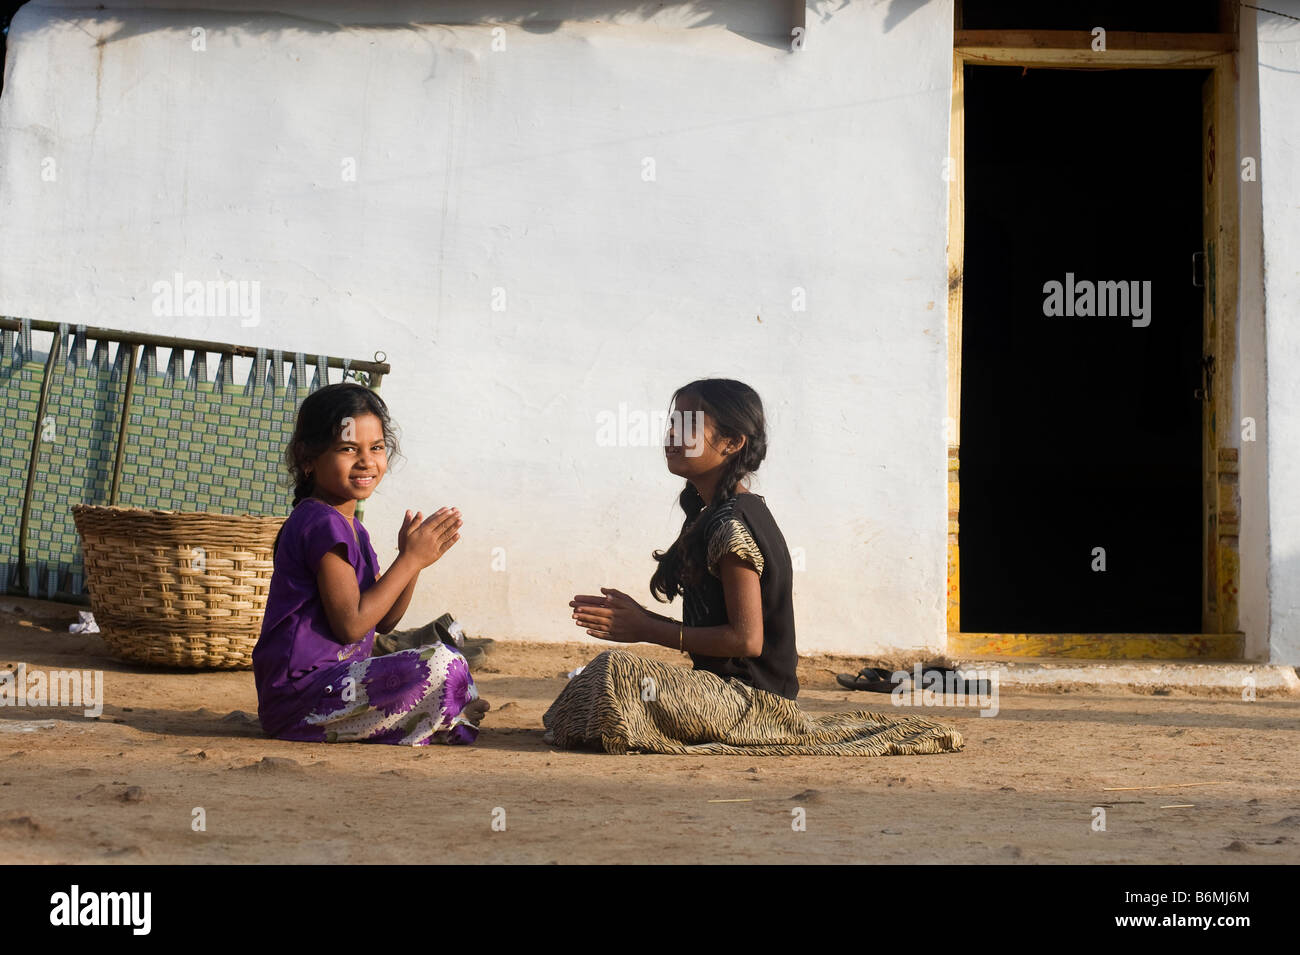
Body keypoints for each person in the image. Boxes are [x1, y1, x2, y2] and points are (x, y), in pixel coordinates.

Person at [547, 378, 962, 757]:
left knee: (615, 673)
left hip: (756, 706)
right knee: (606, 676)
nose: (671, 436)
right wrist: (641, 618)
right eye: (671, 424)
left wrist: (646, 631)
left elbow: (747, 641)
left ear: (730, 442)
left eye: (687, 426)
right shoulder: (711, 514)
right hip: (720, 695)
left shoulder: (731, 525)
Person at [252, 382, 489, 745]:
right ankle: (444, 714)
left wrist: (411, 563)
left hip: (336, 686)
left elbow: (385, 622)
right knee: (444, 663)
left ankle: (442, 712)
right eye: (348, 448)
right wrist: (410, 559)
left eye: (376, 448)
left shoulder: (353, 529)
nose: (366, 461)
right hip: (303, 698)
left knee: (451, 660)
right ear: (307, 458)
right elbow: (351, 625)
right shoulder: (320, 522)